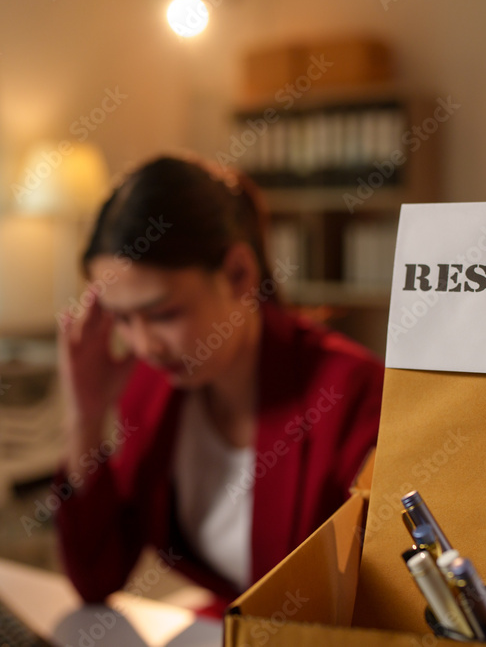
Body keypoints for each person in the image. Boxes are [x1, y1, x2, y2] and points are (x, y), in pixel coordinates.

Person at [53, 155, 383, 616]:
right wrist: (86, 416)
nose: (144, 345)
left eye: (163, 314)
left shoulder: (354, 392)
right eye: (121, 319)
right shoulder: (151, 386)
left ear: (239, 275)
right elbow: (97, 576)